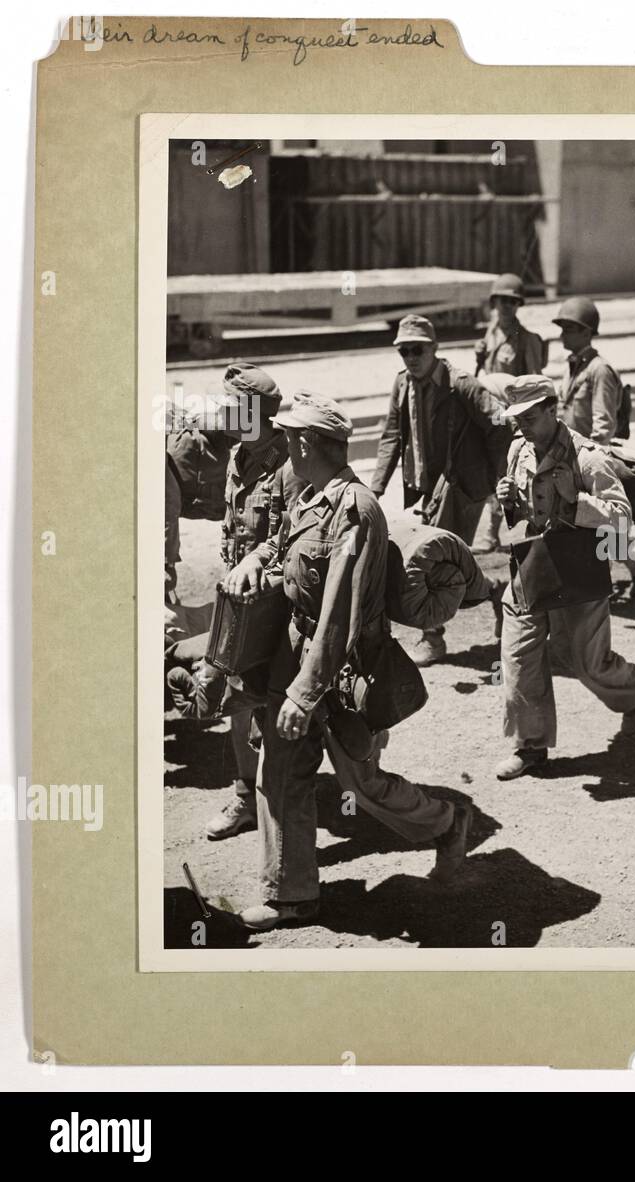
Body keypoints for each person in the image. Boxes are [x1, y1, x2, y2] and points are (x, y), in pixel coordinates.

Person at [224, 392, 471, 930]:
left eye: (289, 437)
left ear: (308, 442)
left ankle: (447, 824)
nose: (284, 445)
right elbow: (283, 546)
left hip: (346, 672)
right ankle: (290, 895)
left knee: (362, 784)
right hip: (296, 657)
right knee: (281, 771)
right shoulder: (309, 495)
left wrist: (305, 691)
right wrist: (253, 560)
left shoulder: (355, 510)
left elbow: (343, 611)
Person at [492, 375, 635, 780]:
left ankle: (633, 697)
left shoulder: (588, 458)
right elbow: (520, 517)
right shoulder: (518, 451)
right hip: (531, 568)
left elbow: (621, 518)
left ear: (552, 410)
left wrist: (575, 498)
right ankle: (530, 746)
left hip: (577, 573)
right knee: (518, 655)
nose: (521, 426)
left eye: (529, 417)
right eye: (517, 418)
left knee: (587, 664)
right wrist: (508, 501)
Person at [204, 363, 306, 841]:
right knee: (236, 699)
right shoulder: (237, 456)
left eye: (229, 404)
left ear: (250, 411)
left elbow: (294, 537)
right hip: (241, 604)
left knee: (281, 704)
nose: (221, 411)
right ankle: (246, 796)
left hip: (279, 607)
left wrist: (258, 568)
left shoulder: (290, 465)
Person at [370, 314, 508, 665]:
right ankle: (496, 593)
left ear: (434, 348)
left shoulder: (459, 383)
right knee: (444, 561)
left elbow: (499, 423)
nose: (411, 358)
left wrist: (493, 477)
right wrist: (376, 488)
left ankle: (433, 637)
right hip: (425, 487)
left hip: (459, 486)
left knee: (432, 560)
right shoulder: (403, 384)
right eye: (404, 351)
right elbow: (391, 435)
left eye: (417, 350)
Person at [552, 297, 635, 599]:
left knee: (596, 524)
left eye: (569, 329)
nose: (562, 335)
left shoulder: (600, 370)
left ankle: (604, 582)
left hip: (590, 460)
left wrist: (588, 461)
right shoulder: (572, 367)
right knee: (591, 526)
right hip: (569, 455)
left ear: (587, 332)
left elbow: (604, 425)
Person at [472, 273, 548, 554]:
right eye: (501, 301)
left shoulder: (525, 339)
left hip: (511, 415)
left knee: (507, 470)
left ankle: (495, 531)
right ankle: (491, 533)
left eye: (512, 302)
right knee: (491, 468)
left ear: (518, 305)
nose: (505, 307)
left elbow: (533, 382)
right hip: (488, 412)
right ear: (494, 303)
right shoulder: (491, 332)